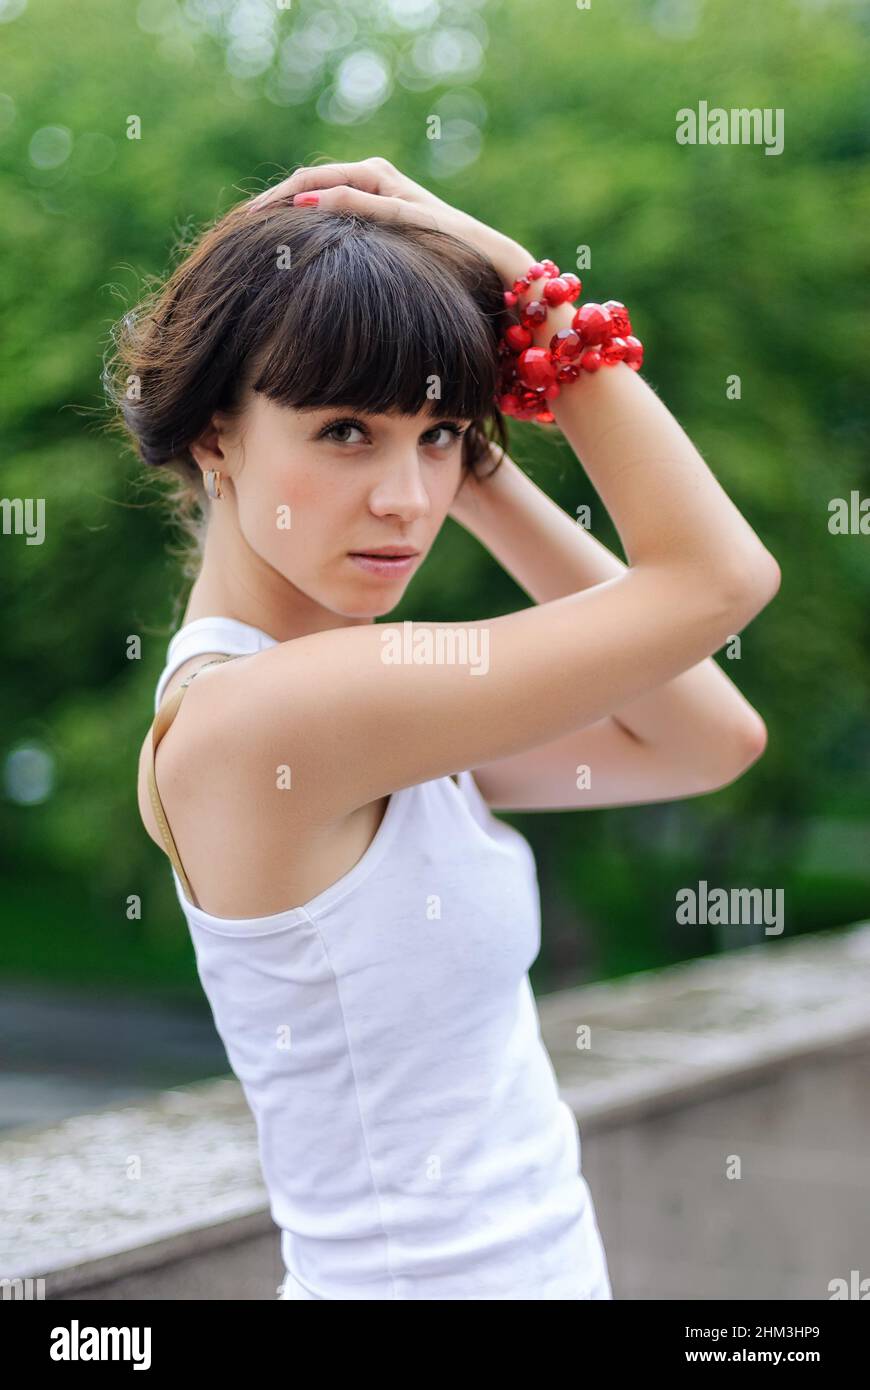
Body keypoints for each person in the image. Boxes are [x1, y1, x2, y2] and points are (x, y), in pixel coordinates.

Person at [113, 157, 779, 1300]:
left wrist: (477, 459)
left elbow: (704, 737)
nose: (404, 500)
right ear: (217, 436)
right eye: (344, 432)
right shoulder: (274, 717)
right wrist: (531, 291)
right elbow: (718, 580)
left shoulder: (348, 707)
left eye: (436, 435)